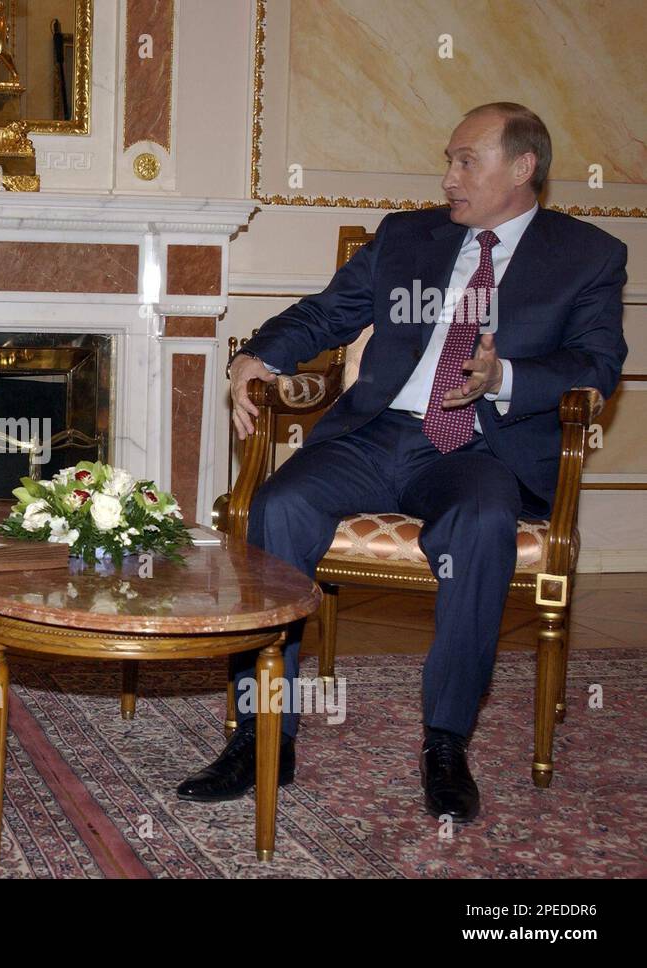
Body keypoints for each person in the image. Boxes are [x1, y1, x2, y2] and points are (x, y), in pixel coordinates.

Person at [179, 102, 627, 821]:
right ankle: (264, 733)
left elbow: (597, 366)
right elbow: (328, 313)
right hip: (376, 434)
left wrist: (505, 376)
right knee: (277, 506)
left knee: (481, 523)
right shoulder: (407, 236)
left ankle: (445, 741)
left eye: (465, 162)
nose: (448, 177)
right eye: (448, 160)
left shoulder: (587, 256)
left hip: (477, 447)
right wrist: (256, 355)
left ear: (522, 168)